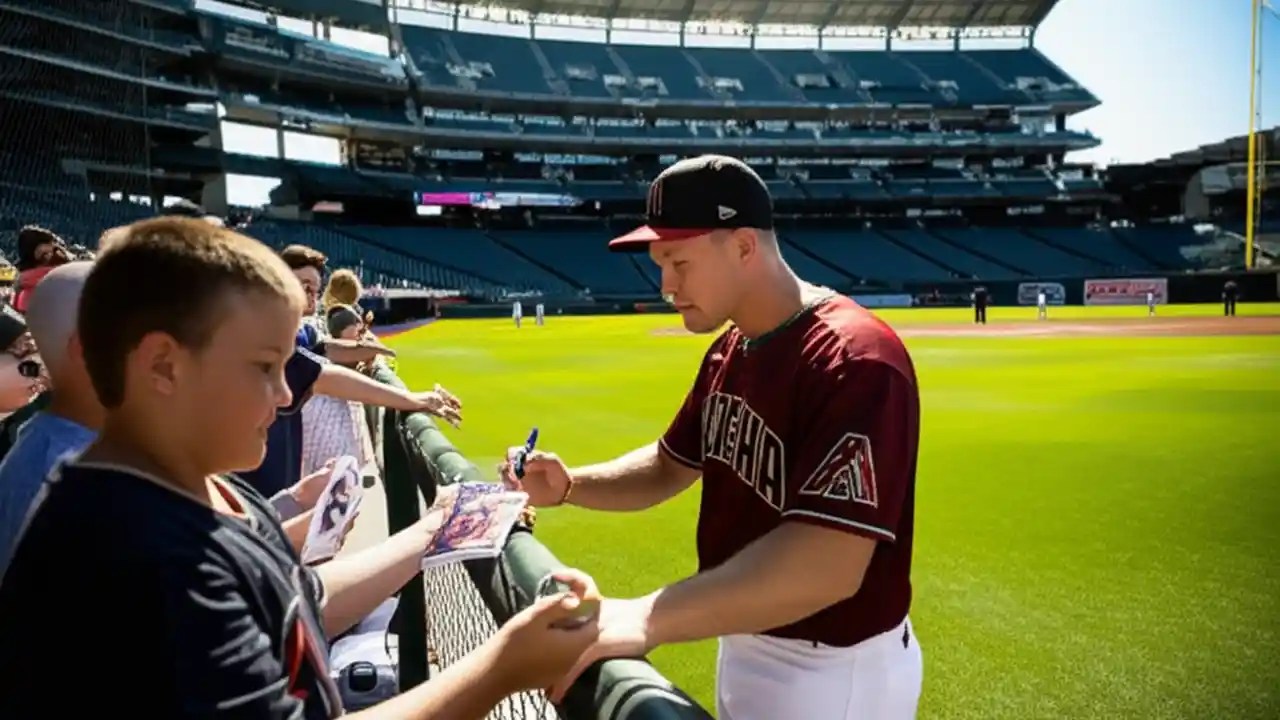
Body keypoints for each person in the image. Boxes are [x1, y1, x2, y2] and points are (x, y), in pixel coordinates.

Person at [0, 217, 601, 718]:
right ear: (163, 366)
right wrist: (504, 665)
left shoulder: (180, 486)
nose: (287, 397)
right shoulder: (137, 556)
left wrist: (431, 530)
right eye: (265, 367)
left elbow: (300, 596)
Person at [503, 155, 923, 720]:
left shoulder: (854, 360)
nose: (666, 285)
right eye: (659, 264)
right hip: (743, 637)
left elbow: (825, 567)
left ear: (744, 246)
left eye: (678, 261)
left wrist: (646, 617)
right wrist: (571, 484)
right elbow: (668, 465)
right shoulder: (732, 348)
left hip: (832, 670)